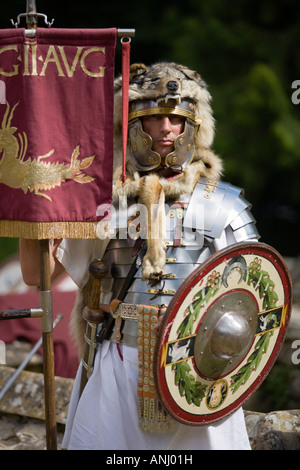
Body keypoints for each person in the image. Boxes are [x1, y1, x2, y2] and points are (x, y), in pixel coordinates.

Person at [20, 62, 259, 450]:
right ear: (132, 125)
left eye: (176, 118)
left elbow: (255, 303)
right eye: (155, 118)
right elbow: (36, 276)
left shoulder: (224, 205)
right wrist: (36, 208)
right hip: (119, 362)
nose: (166, 129)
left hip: (200, 372)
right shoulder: (103, 203)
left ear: (192, 126)